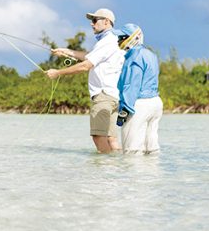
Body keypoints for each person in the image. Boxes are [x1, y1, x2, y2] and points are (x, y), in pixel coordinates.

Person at [46, 8, 125, 153]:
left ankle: (105, 170)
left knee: (98, 136)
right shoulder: (113, 41)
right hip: (113, 96)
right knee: (111, 139)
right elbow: (90, 56)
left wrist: (58, 73)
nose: (91, 24)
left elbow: (85, 65)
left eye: (95, 20)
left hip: (103, 96)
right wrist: (66, 51)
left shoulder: (106, 42)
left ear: (106, 22)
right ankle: (116, 171)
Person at [115, 23, 163, 154]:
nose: (118, 41)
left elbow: (132, 85)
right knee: (152, 151)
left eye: (122, 37)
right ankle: (152, 175)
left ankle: (133, 175)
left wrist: (124, 110)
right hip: (156, 103)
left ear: (133, 38)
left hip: (139, 105)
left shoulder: (134, 57)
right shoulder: (151, 55)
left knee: (132, 152)